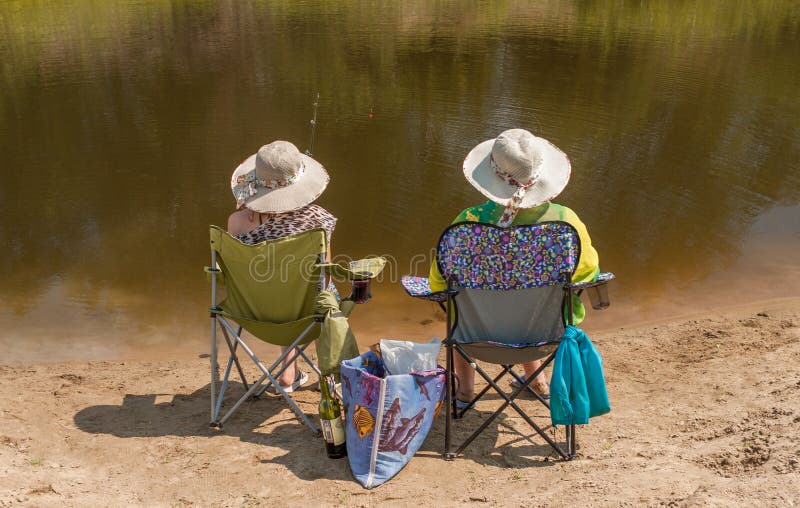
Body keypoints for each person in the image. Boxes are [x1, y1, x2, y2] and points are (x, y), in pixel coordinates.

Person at [428, 128, 600, 406]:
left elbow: (439, 284)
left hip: (476, 336)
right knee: (534, 301)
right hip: (544, 334)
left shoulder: (466, 222)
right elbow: (588, 274)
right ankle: (537, 380)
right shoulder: (565, 223)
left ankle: (465, 392)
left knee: (460, 310)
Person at [227, 140, 336, 392]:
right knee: (324, 293)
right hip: (305, 313)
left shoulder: (237, 222)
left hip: (256, 311)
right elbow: (327, 275)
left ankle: (288, 372)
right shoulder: (318, 222)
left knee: (278, 287)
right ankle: (329, 375)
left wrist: (251, 206)